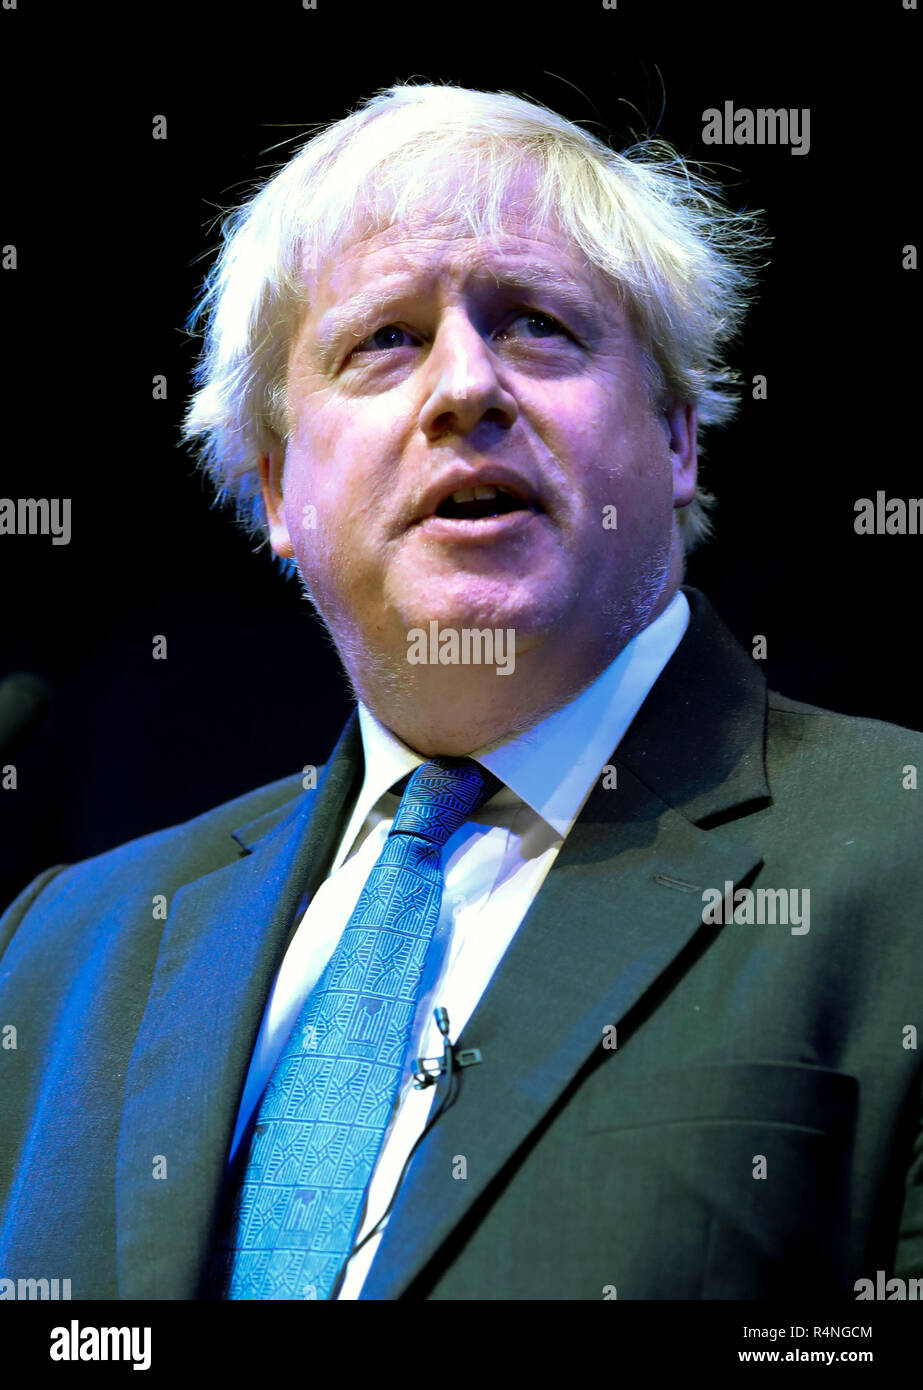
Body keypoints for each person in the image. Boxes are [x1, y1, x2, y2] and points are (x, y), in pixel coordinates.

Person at [0, 81, 920, 1303]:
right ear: (277, 489)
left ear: (675, 436)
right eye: (382, 340)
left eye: (537, 323)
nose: (463, 388)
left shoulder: (897, 860)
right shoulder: (58, 953)